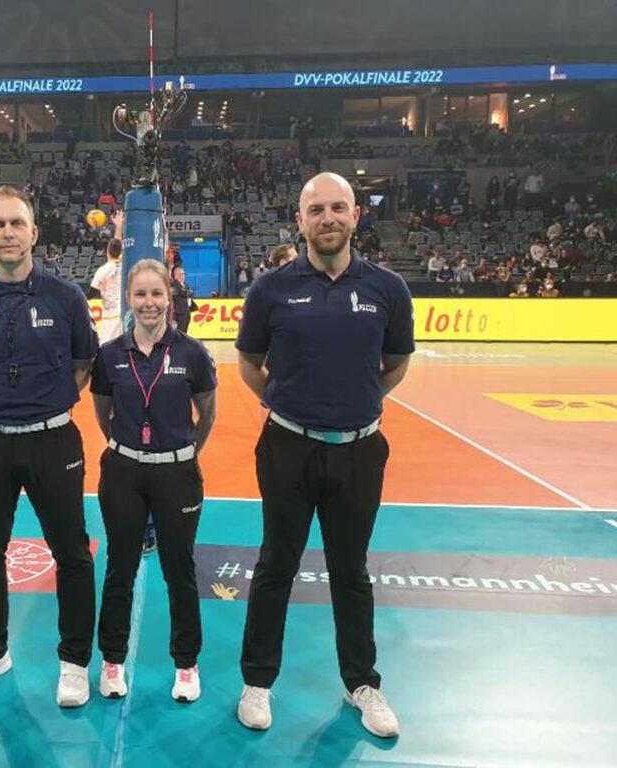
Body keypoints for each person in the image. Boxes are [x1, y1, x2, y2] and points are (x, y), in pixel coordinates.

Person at [235, 172, 414, 738]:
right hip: (287, 446)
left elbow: (395, 364)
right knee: (274, 566)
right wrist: (292, 406)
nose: (329, 218)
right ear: (301, 220)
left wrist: (356, 404)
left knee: (351, 572)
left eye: (339, 208)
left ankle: (362, 683)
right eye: (318, 210)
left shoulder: (388, 289)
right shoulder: (270, 290)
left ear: (356, 216)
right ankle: (257, 682)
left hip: (360, 451)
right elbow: (248, 365)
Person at [0, 186, 98, 707]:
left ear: (34, 232)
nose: (8, 233)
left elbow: (82, 366)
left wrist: (41, 406)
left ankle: (74, 662)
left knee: (72, 552)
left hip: (53, 439)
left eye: (17, 224)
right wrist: (0, 408)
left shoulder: (67, 297)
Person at [91, 259, 216, 703]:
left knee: (179, 570)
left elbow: (207, 413)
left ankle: (186, 665)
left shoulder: (192, 354)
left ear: (169, 297)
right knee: (119, 568)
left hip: (178, 472)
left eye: (156, 294)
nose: (149, 303)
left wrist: (182, 453)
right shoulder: (109, 356)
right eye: (140, 294)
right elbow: (103, 414)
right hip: (123, 471)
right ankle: (112, 659)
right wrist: (128, 448)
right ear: (128, 298)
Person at [89, 211, 125, 343]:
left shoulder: (103, 270)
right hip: (125, 312)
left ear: (106, 252)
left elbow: (91, 293)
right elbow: (118, 244)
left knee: (106, 348)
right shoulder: (124, 263)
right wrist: (119, 227)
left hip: (111, 316)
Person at [170, 265, 197, 334]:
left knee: (185, 329)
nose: (184, 275)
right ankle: (179, 344)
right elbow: (182, 293)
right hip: (180, 311)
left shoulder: (184, 284)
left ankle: (183, 343)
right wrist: (187, 292)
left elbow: (190, 293)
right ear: (177, 275)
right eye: (182, 274)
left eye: (184, 274)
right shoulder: (174, 285)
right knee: (180, 330)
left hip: (187, 310)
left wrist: (187, 292)